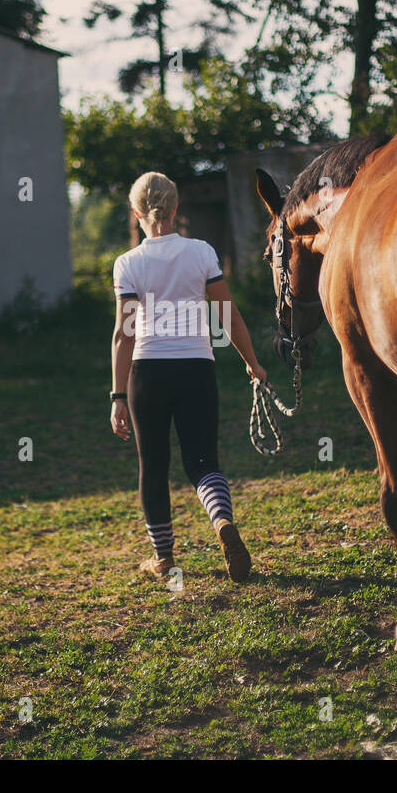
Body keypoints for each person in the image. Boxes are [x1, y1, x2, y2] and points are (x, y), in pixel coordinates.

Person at [110, 172, 267, 582]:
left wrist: (117, 396)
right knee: (202, 462)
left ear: (136, 213)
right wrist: (252, 361)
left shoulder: (128, 264)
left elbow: (123, 335)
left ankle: (163, 558)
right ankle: (221, 522)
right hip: (197, 367)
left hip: (148, 374)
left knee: (154, 465)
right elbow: (227, 314)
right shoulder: (201, 253)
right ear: (177, 208)